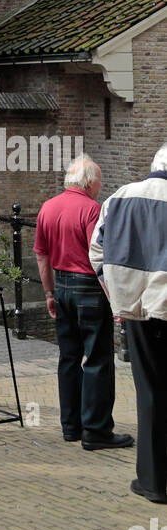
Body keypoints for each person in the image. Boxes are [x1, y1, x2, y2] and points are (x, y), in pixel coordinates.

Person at [34, 153, 132, 450]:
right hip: (89, 288)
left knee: (68, 358)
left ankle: (71, 426)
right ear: (89, 182)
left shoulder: (48, 208)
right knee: (99, 359)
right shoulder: (92, 210)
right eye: (99, 181)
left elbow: (42, 255)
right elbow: (101, 257)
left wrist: (50, 293)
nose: (100, 187)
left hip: (61, 286)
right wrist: (115, 300)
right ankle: (97, 430)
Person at [89, 141, 167, 503]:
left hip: (136, 310)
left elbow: (97, 251)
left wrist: (115, 293)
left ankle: (152, 481)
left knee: (149, 391)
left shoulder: (119, 196)